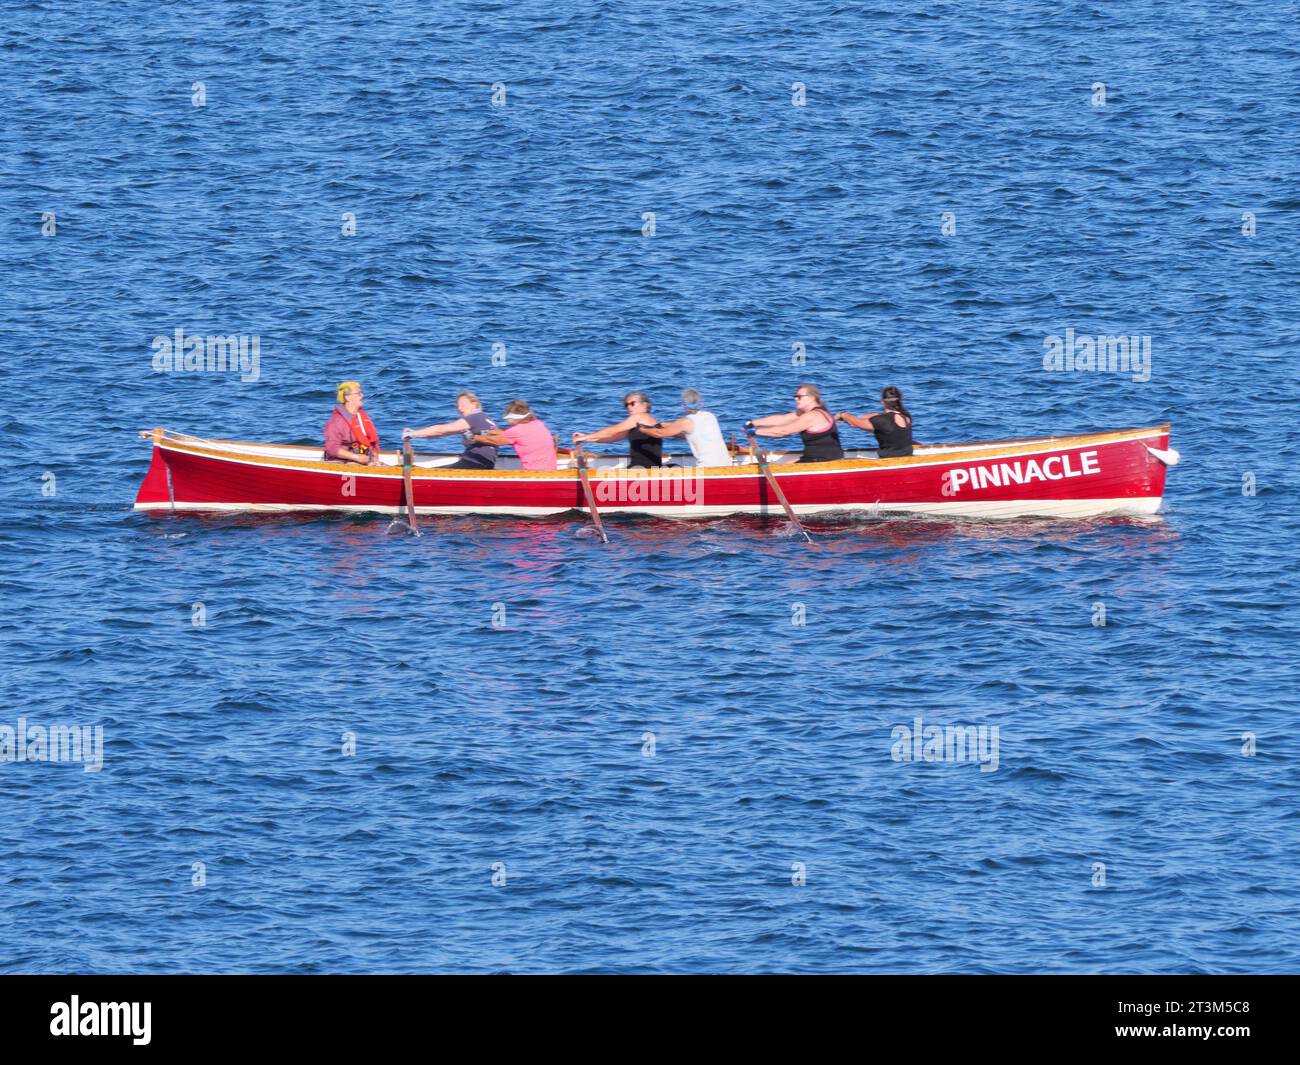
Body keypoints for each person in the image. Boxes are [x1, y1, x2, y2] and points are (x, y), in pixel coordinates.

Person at [747, 383, 844, 463]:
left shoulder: (813, 416)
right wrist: (753, 423)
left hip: (824, 461)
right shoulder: (808, 413)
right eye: (795, 396)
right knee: (785, 464)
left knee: (783, 467)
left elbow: (784, 431)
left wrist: (755, 432)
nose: (795, 399)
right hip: (816, 458)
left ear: (811, 398)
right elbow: (781, 419)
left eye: (799, 397)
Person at [635, 388, 733, 467]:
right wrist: (663, 424)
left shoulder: (685, 421)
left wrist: (642, 429)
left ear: (683, 406)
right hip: (726, 465)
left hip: (707, 468)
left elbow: (658, 434)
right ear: (700, 403)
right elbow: (694, 434)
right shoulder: (710, 416)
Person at [404, 391, 500, 470]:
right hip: (486, 464)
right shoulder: (487, 419)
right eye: (458, 406)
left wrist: (413, 434)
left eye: (463, 405)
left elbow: (441, 430)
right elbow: (441, 433)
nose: (459, 408)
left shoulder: (474, 417)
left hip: (473, 464)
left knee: (427, 471)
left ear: (474, 404)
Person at [571, 390, 662, 468]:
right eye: (626, 405)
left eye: (632, 403)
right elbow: (612, 437)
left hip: (643, 470)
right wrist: (588, 439)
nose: (629, 407)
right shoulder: (639, 423)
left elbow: (612, 431)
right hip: (647, 467)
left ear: (645, 404)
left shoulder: (640, 417)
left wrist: (585, 437)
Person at [469, 400, 558, 470]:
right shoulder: (538, 423)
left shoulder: (517, 431)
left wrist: (474, 437)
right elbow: (509, 434)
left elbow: (494, 441)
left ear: (512, 417)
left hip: (534, 473)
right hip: (551, 469)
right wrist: (489, 432)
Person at [837, 386, 914, 457]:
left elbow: (856, 422)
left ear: (882, 402)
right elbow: (888, 429)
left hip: (889, 460)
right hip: (907, 456)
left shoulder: (881, 421)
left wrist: (843, 415)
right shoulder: (906, 417)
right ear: (899, 401)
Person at [324, 380, 382, 465]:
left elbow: (373, 444)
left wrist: (375, 457)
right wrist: (356, 457)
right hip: (343, 463)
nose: (362, 395)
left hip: (365, 461)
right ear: (348, 397)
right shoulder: (336, 422)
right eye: (358, 393)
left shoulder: (362, 418)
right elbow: (332, 448)